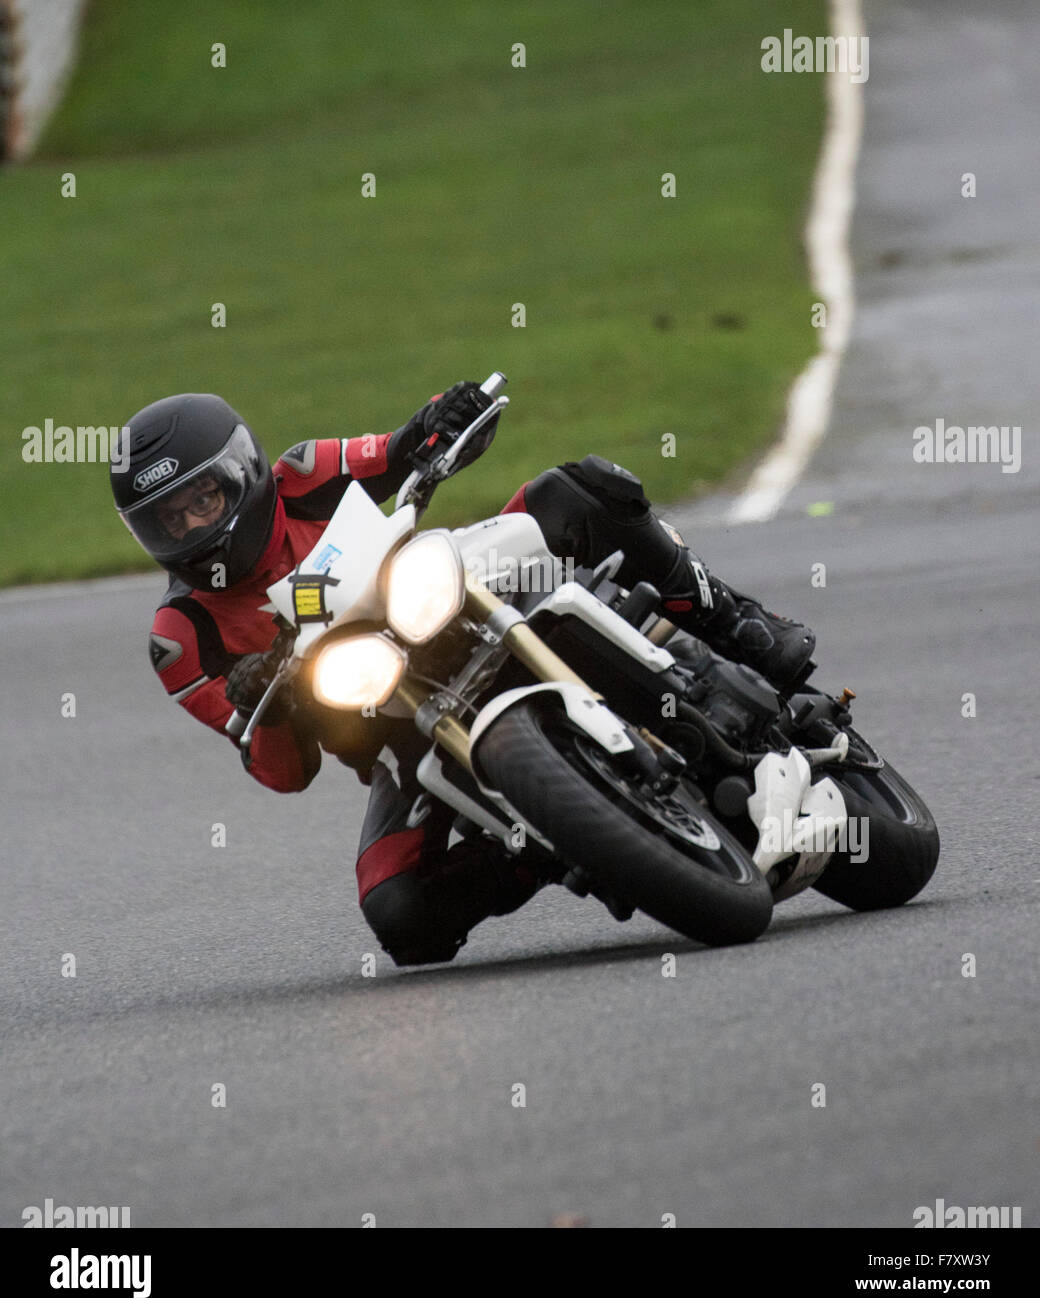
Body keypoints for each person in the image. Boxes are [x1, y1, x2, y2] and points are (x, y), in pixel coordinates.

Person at [111, 384, 814, 965]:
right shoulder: (181, 637)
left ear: (243, 473)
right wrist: (265, 703)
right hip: (394, 725)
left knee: (572, 492)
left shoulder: (302, 475)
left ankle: (738, 624)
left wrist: (443, 417)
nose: (192, 524)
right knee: (397, 911)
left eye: (202, 499)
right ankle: (555, 841)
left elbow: (396, 450)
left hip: (451, 605)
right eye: (168, 520)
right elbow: (285, 772)